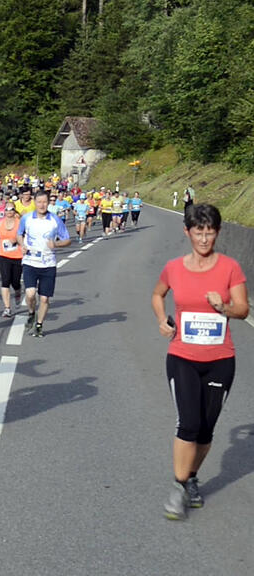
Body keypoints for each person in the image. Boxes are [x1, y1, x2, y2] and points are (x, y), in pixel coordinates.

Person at [151, 204, 248, 520]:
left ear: (217, 232)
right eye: (198, 232)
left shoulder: (230, 267)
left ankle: (191, 476)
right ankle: (179, 486)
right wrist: (161, 321)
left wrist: (225, 308)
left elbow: (243, 309)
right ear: (187, 232)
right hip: (182, 357)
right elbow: (157, 294)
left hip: (221, 359)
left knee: (205, 430)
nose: (204, 239)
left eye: (210, 232)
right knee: (188, 424)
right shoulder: (174, 267)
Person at [18, 189, 72, 337]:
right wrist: (22, 244)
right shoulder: (27, 218)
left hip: (48, 263)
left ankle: (39, 325)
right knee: (30, 294)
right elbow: (19, 234)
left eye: (45, 202)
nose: (42, 205)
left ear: (49, 203)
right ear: (34, 202)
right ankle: (31, 312)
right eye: (39, 202)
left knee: (44, 298)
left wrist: (57, 245)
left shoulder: (55, 220)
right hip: (30, 261)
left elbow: (67, 239)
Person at [0, 201, 23, 317]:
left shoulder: (20, 223)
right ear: (4, 211)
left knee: (15, 282)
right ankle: (7, 308)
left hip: (18, 256)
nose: (9, 212)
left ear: (15, 211)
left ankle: (18, 291)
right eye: (7, 209)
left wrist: (18, 240)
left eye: (11, 209)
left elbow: (26, 236)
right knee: (5, 280)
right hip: (3, 256)